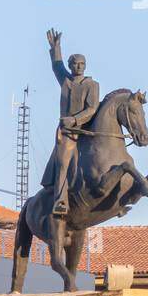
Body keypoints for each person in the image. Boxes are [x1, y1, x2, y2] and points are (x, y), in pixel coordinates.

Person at [41, 29, 100, 217]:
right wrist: (56, 47)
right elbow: (56, 66)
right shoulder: (66, 80)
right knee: (63, 162)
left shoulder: (92, 85)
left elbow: (92, 109)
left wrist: (75, 119)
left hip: (86, 129)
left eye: (82, 64)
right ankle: (60, 199)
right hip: (68, 133)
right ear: (71, 65)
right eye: (75, 64)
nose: (79, 67)